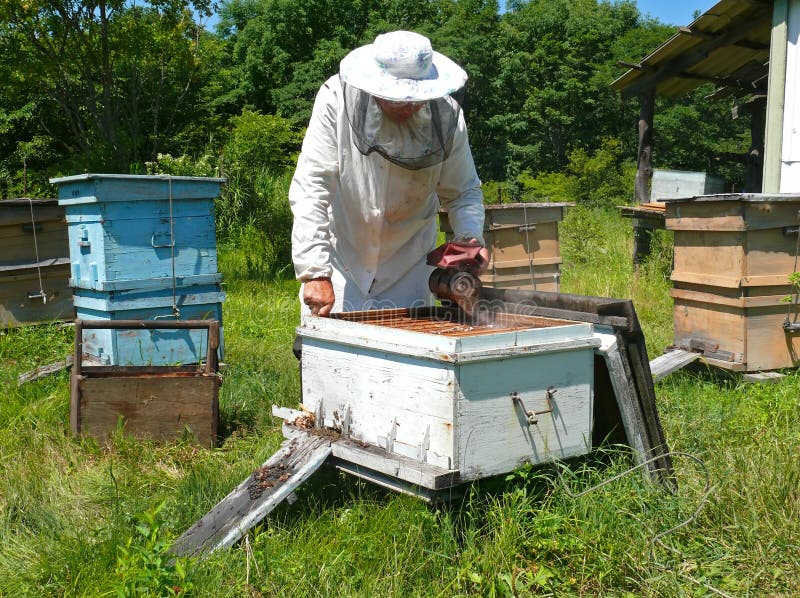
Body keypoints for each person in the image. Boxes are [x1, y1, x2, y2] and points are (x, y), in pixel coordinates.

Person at [289, 30, 488, 317]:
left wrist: (469, 239)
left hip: (409, 272)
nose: (408, 106)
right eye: (397, 98)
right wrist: (315, 271)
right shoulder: (336, 100)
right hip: (340, 268)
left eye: (416, 98)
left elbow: (464, 192)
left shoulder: (447, 118)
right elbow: (311, 186)